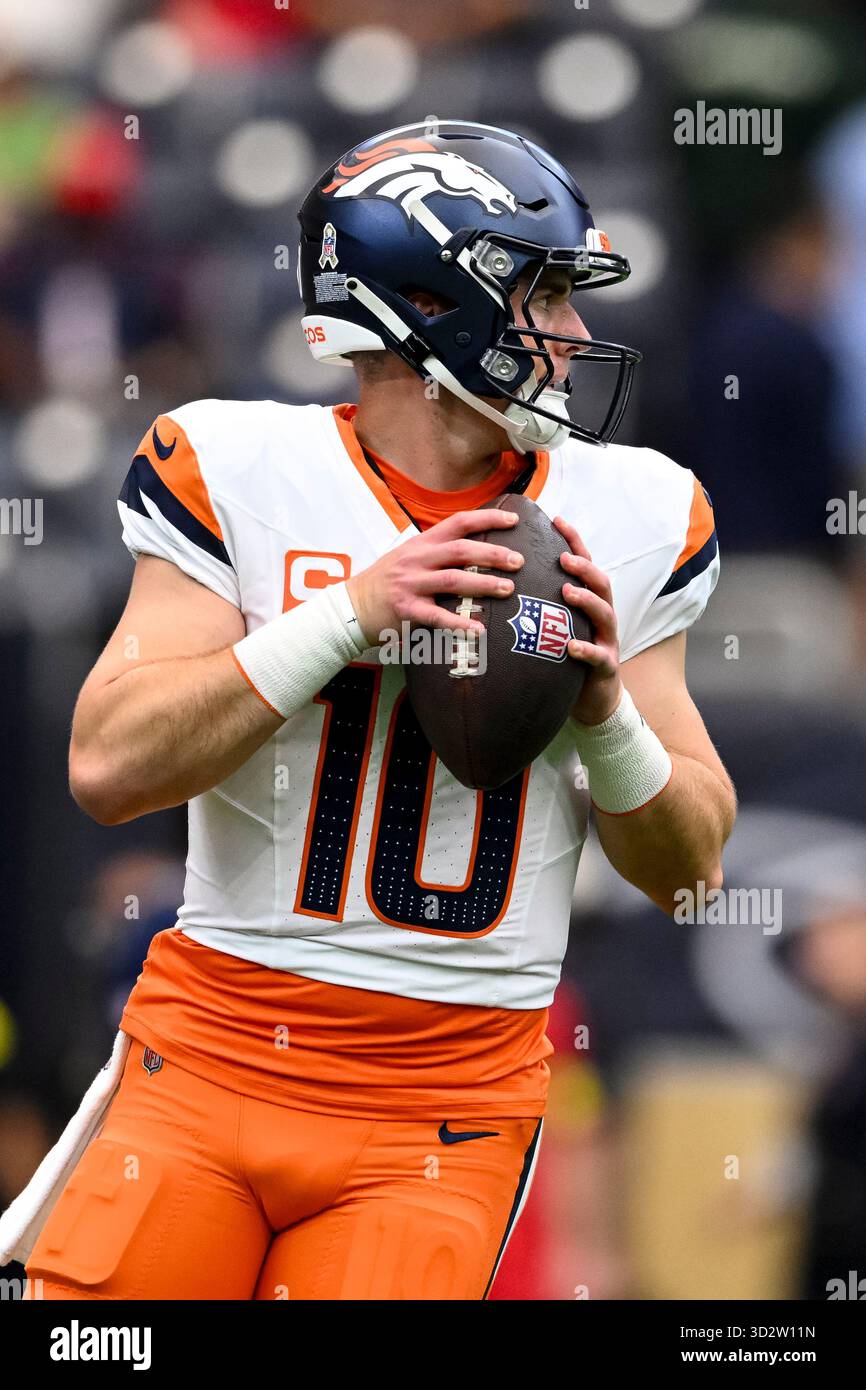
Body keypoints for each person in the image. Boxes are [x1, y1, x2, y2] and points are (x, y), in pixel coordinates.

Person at [8, 121, 735, 1300]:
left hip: (443, 1103)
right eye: (544, 294)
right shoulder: (238, 465)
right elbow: (107, 764)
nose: (579, 334)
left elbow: (689, 866)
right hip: (211, 1054)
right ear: (431, 304)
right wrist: (347, 615)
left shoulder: (640, 512)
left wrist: (604, 712)